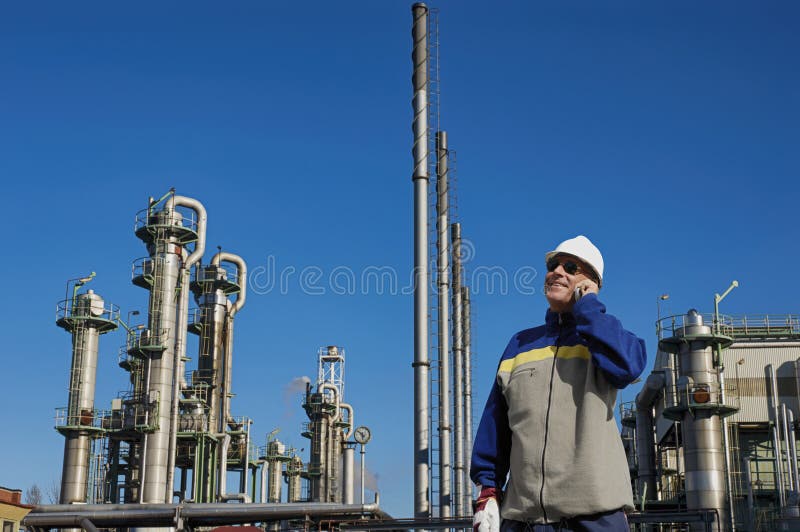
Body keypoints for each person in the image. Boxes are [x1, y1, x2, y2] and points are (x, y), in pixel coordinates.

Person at [470, 235, 646, 532]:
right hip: (526, 520)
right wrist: (488, 490)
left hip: (595, 518)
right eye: (553, 265)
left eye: (570, 266)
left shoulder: (603, 339)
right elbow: (496, 423)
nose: (557, 271)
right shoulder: (520, 344)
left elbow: (629, 366)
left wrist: (589, 308)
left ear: (591, 284)